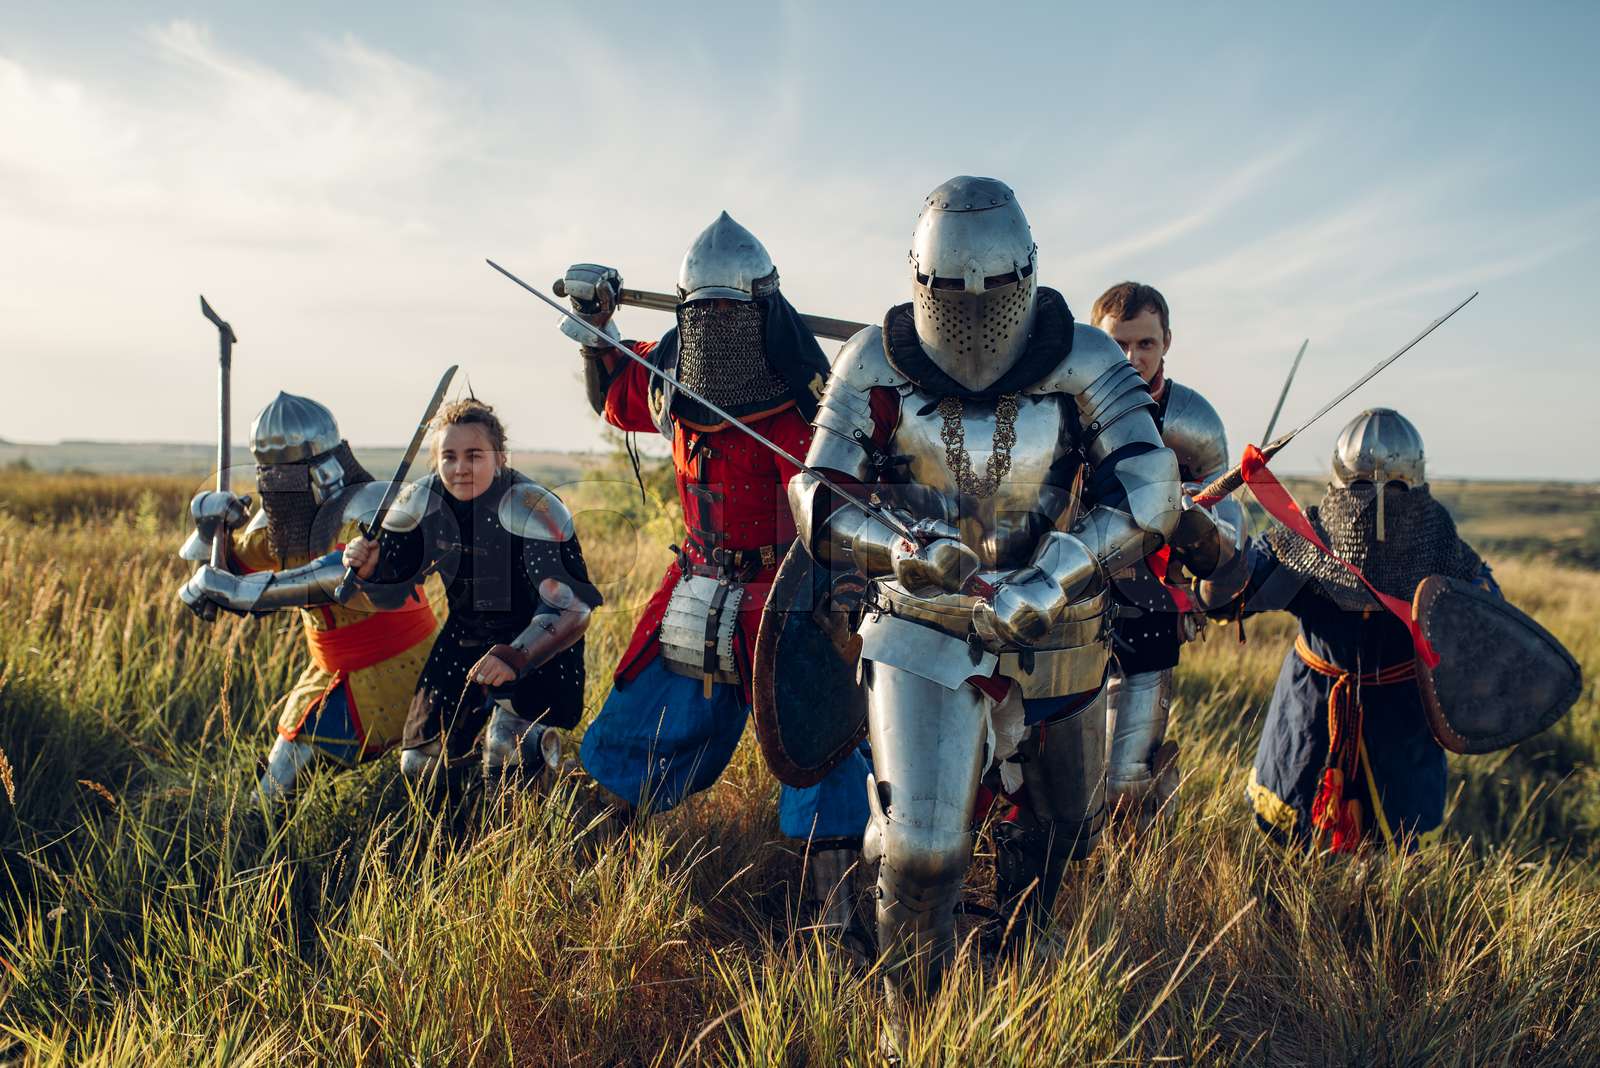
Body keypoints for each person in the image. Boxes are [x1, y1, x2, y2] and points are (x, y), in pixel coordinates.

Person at [789, 177, 1234, 1005]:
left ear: (1025, 276)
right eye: (950, 291)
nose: (971, 311)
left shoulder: (1087, 358)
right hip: (922, 622)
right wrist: (898, 546)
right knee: (923, 850)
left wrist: (1055, 574)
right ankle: (906, 1023)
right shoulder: (873, 360)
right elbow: (816, 495)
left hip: (1060, 630)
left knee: (1064, 837)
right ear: (919, 281)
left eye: (991, 290)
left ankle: (1015, 982)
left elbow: (1149, 487)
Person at [559, 214, 871, 940]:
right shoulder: (674, 378)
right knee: (634, 734)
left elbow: (850, 505)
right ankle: (593, 900)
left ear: (763, 311)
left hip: (794, 597)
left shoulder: (814, 402)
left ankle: (842, 927)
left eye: (732, 315)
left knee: (821, 749)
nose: (718, 331)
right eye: (705, 317)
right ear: (687, 317)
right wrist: (593, 320)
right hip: (697, 588)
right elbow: (612, 389)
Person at [1194, 407, 1497, 851]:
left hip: (1402, 723)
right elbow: (1232, 594)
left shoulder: (1442, 551)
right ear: (1339, 486)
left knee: (1392, 858)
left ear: (1414, 486)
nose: (1376, 502)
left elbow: (1487, 625)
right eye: (1360, 486)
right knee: (1290, 851)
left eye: (1393, 486)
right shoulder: (1309, 540)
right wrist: (1215, 549)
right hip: (1311, 714)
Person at [177, 392, 446, 800]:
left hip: (400, 663)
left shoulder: (369, 506)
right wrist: (208, 531)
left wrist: (237, 591)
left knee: (432, 778)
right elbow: (223, 572)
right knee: (277, 782)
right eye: (271, 472)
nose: (277, 483)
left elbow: (339, 575)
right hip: (332, 669)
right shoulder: (284, 520)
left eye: (287, 471)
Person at [342, 399, 601, 795]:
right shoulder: (424, 500)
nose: (460, 467)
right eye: (449, 456)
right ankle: (451, 839)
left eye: (473, 455)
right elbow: (393, 588)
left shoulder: (532, 505)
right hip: (463, 639)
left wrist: (516, 655)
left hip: (536, 647)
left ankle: (522, 833)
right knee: (421, 763)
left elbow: (572, 608)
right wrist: (370, 569)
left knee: (506, 751)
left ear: (499, 457)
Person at [1090, 282, 1245, 826]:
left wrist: (1188, 519)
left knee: (1127, 780)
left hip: (1150, 609)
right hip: (1067, 604)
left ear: (1166, 342)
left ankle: (1133, 882)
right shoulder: (1068, 407)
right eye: (1118, 344)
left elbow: (1228, 526)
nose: (1131, 359)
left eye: (1145, 344)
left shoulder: (1192, 420)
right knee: (1053, 776)